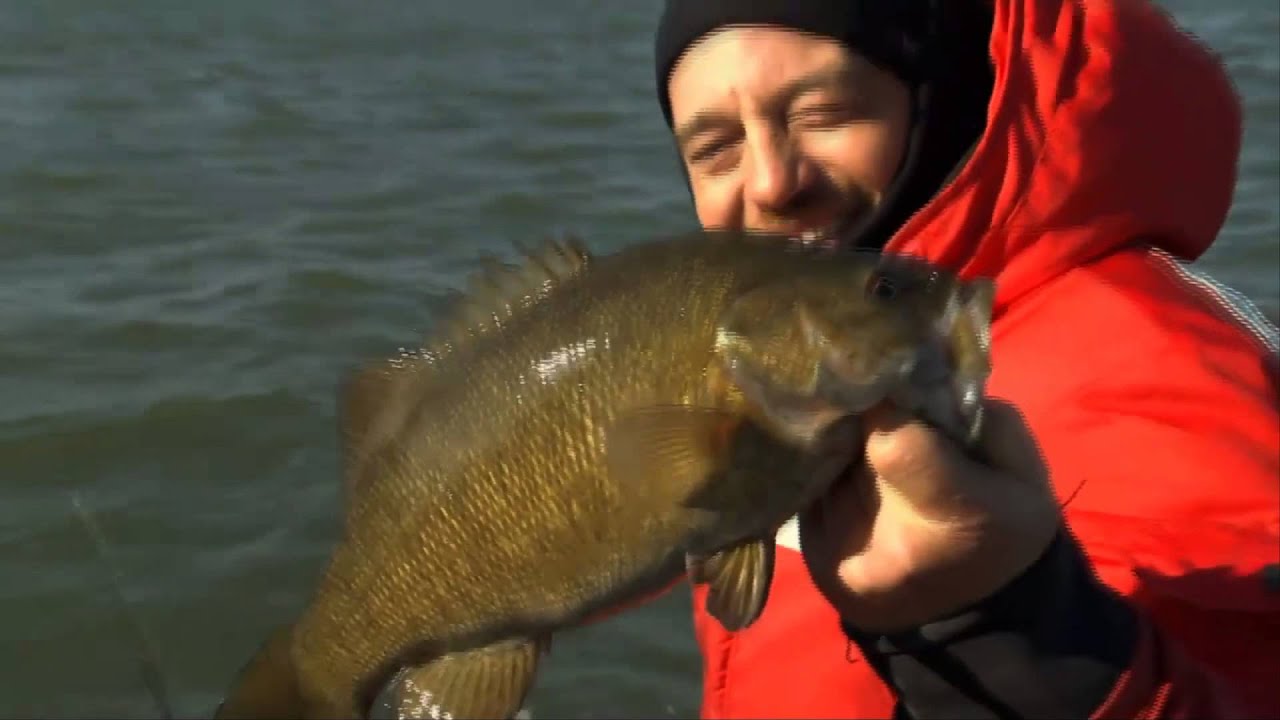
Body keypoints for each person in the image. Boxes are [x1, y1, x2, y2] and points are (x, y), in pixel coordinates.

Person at [646, 0, 1280, 717]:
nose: (769, 183)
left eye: (822, 114)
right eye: (716, 149)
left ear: (934, 98)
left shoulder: (1146, 366)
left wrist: (1002, 628)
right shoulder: (797, 370)